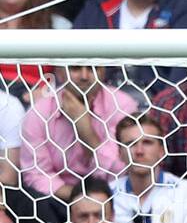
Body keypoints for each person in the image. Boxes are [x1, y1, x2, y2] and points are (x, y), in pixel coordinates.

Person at [20, 65, 135, 204]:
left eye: (92, 68)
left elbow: (120, 171)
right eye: (75, 69)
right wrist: (80, 198)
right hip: (60, 199)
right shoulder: (39, 111)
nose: (84, 76)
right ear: (60, 73)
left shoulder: (122, 104)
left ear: (103, 72)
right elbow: (36, 175)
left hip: (114, 196)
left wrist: (84, 127)